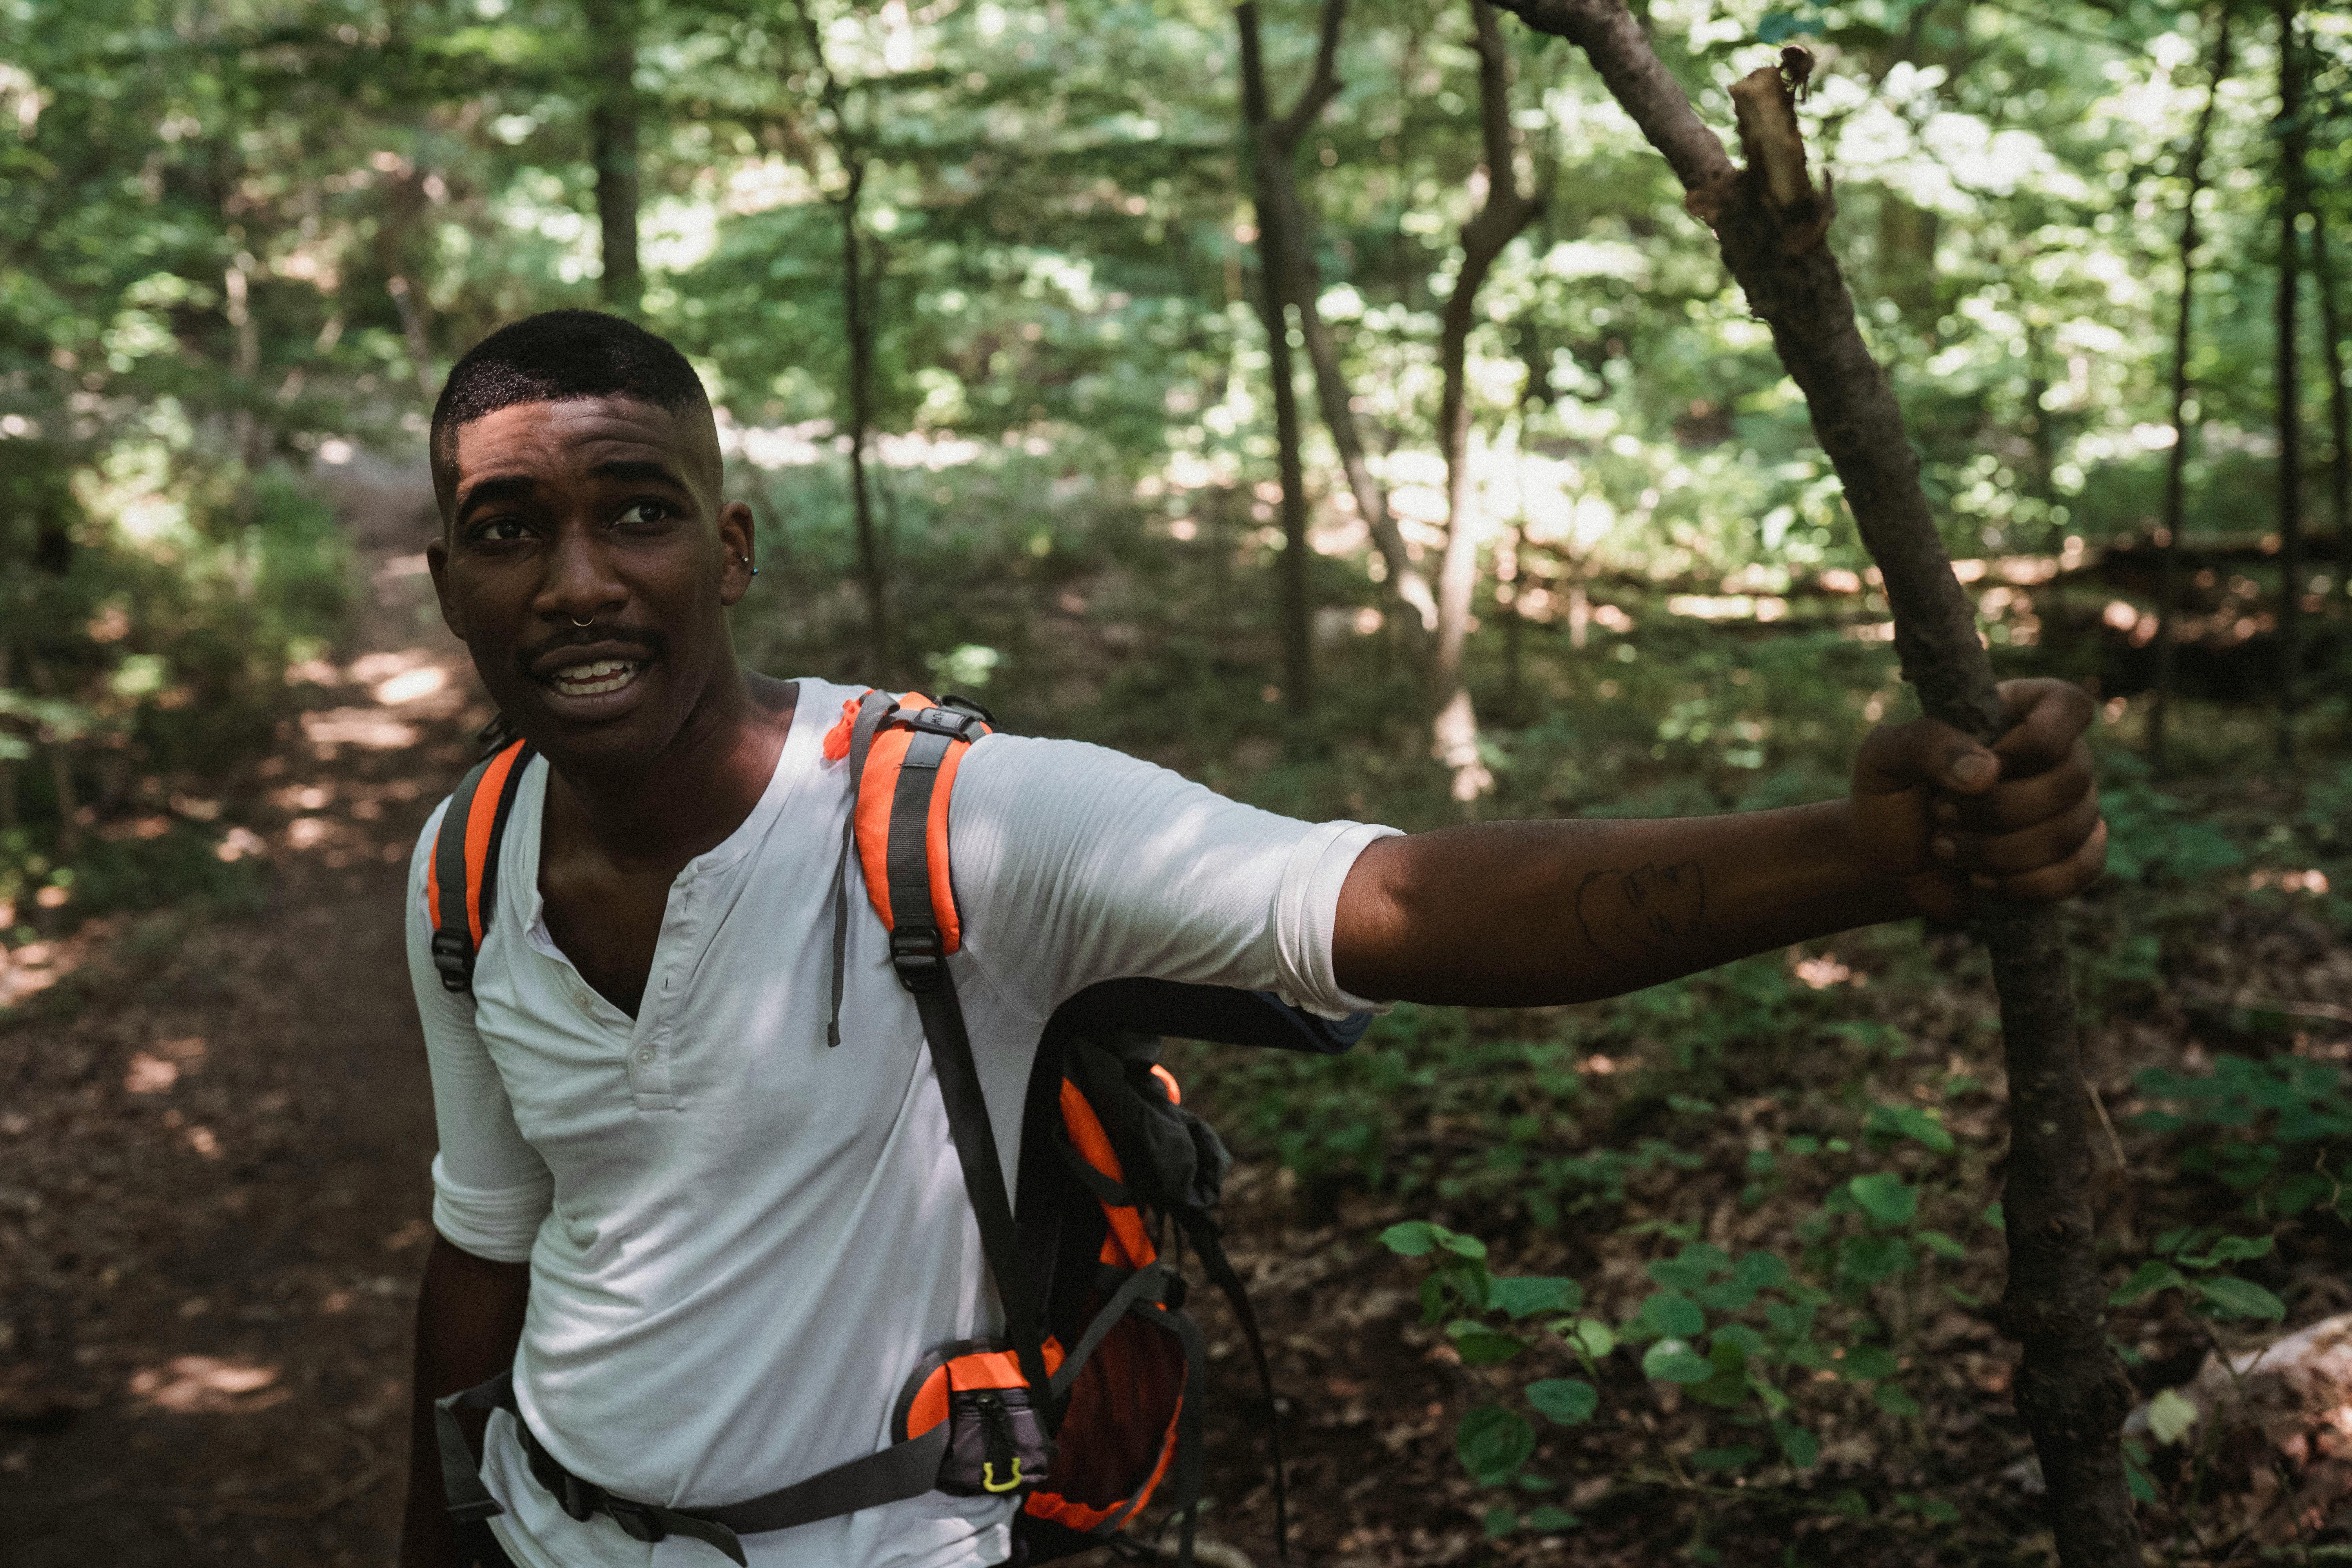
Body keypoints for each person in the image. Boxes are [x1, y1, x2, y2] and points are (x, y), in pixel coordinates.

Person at [399, 310, 2106, 1568]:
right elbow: (488, 1244)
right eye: (508, 532)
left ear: (732, 547)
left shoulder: (951, 823)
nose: (575, 581)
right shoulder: (463, 865)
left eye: (637, 511)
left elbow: (1396, 900)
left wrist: (1864, 854)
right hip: (549, 1523)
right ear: (447, 581)